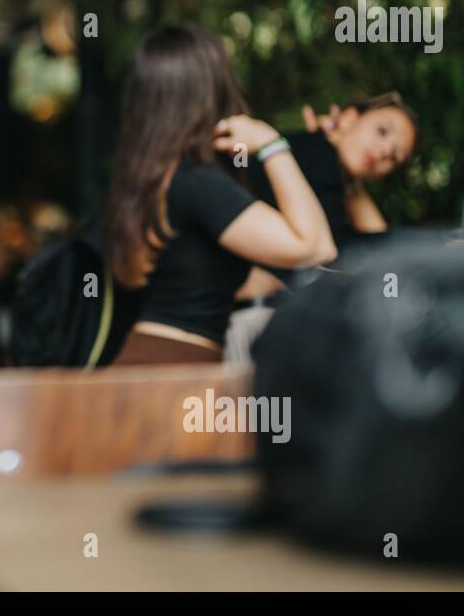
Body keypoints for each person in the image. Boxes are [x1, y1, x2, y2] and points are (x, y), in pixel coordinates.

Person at [103, 24, 336, 366]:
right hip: (177, 370)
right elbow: (315, 246)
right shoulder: (197, 183)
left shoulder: (152, 180)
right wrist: (271, 144)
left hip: (149, 362)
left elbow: (197, 279)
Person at [225, 92, 419, 365]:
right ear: (350, 117)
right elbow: (351, 259)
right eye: (382, 131)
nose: (385, 151)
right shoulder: (318, 154)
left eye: (395, 158)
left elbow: (376, 250)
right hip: (248, 322)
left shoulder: (316, 161)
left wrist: (353, 184)